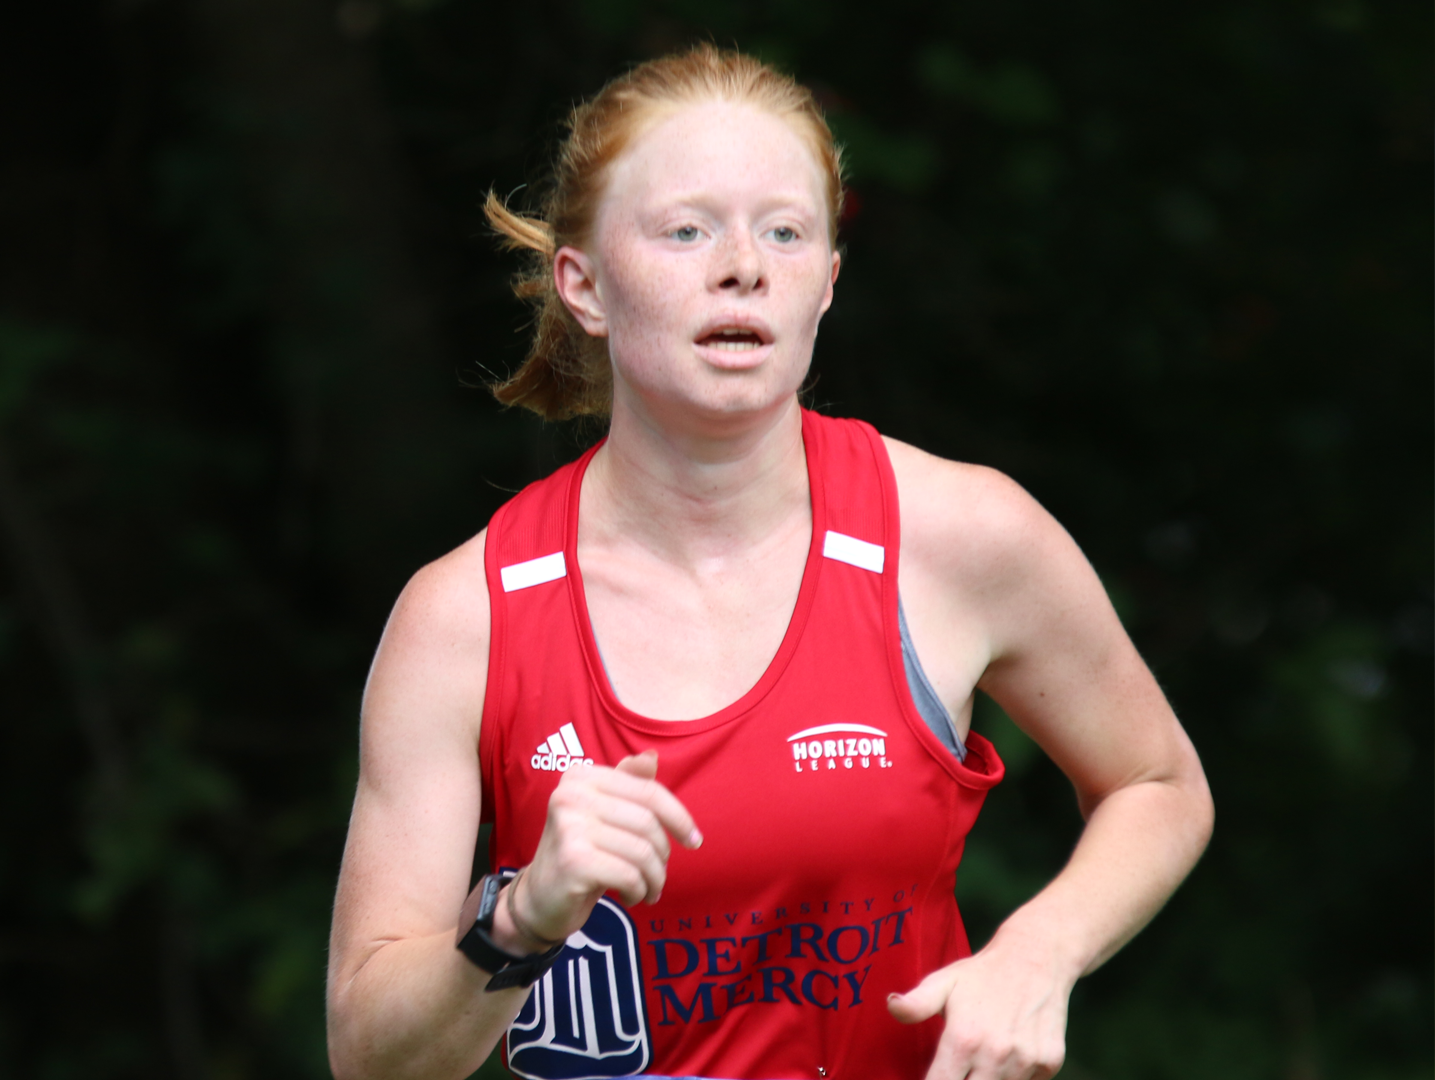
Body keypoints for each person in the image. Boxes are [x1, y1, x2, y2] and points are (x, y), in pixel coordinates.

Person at [326, 45, 1212, 1080]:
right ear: (585, 284)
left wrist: (1038, 952)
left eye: (785, 232)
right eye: (687, 229)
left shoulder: (961, 536)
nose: (743, 264)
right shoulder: (464, 618)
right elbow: (369, 1054)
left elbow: (1158, 782)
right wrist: (518, 921)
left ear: (826, 284)